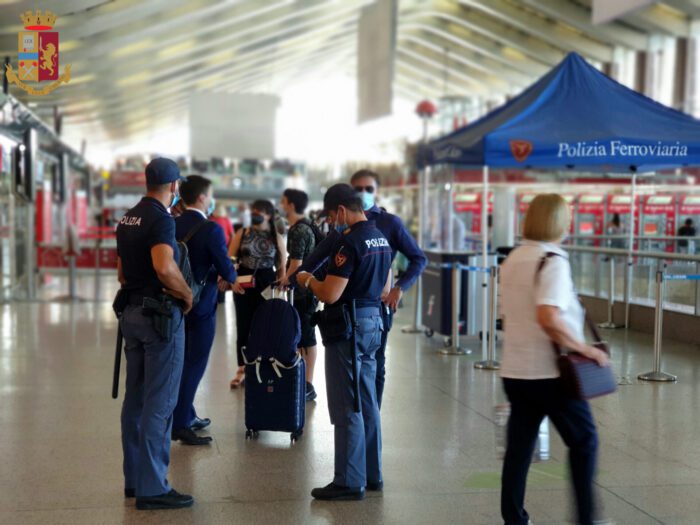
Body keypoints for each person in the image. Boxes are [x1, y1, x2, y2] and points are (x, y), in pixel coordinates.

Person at [499, 194, 610, 525]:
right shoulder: (553, 260)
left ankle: (514, 518)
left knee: (519, 449)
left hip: (516, 371)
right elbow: (548, 316)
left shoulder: (514, 258)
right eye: (568, 217)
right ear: (559, 222)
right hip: (551, 375)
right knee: (585, 441)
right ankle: (586, 518)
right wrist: (586, 349)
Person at [294, 170, 426, 409]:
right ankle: (367, 419)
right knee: (356, 379)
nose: (364, 193)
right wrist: (294, 276)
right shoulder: (344, 230)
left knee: (376, 366)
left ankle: (371, 413)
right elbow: (318, 257)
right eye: (359, 189)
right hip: (348, 311)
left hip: (377, 307)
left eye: (369, 188)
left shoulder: (389, 223)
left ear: (376, 191)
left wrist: (399, 288)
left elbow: (418, 258)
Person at [297, 183, 391, 501]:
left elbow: (331, 293)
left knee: (346, 403)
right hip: (373, 320)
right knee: (367, 400)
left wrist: (308, 279)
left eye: (331, 215)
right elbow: (385, 287)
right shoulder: (380, 237)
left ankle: (349, 481)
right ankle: (371, 473)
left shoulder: (349, 243)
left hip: (348, 328)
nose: (332, 222)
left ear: (340, 210)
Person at [115, 157, 194, 510]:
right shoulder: (161, 220)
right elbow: (164, 266)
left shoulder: (127, 217)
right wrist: (186, 293)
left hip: (130, 313)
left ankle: (134, 480)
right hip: (159, 318)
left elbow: (121, 274)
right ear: (174, 186)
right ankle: (153, 487)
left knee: (136, 398)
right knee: (160, 403)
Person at [171, 176, 241, 446]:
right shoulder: (210, 229)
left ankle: (187, 413)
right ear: (202, 197)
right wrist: (229, 275)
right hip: (201, 306)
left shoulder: (172, 225)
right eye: (210, 195)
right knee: (195, 363)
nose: (212, 200)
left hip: (176, 303)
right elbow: (226, 269)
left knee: (180, 361)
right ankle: (180, 424)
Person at [226, 200, 287, 389]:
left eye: (259, 211)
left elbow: (282, 263)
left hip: (266, 282)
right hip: (244, 282)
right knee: (243, 325)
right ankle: (242, 368)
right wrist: (232, 280)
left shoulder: (275, 236)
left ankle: (264, 365)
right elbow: (231, 258)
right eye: (253, 210)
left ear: (269, 215)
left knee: (266, 326)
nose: (255, 213)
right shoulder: (242, 233)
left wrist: (281, 284)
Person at [279, 188, 322, 402]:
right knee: (303, 333)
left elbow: (296, 263)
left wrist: (285, 280)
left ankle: (307, 383)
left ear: (291, 205)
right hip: (306, 288)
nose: (280, 204)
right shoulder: (307, 226)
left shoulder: (298, 230)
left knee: (305, 334)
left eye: (283, 201)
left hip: (302, 291)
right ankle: (304, 381)